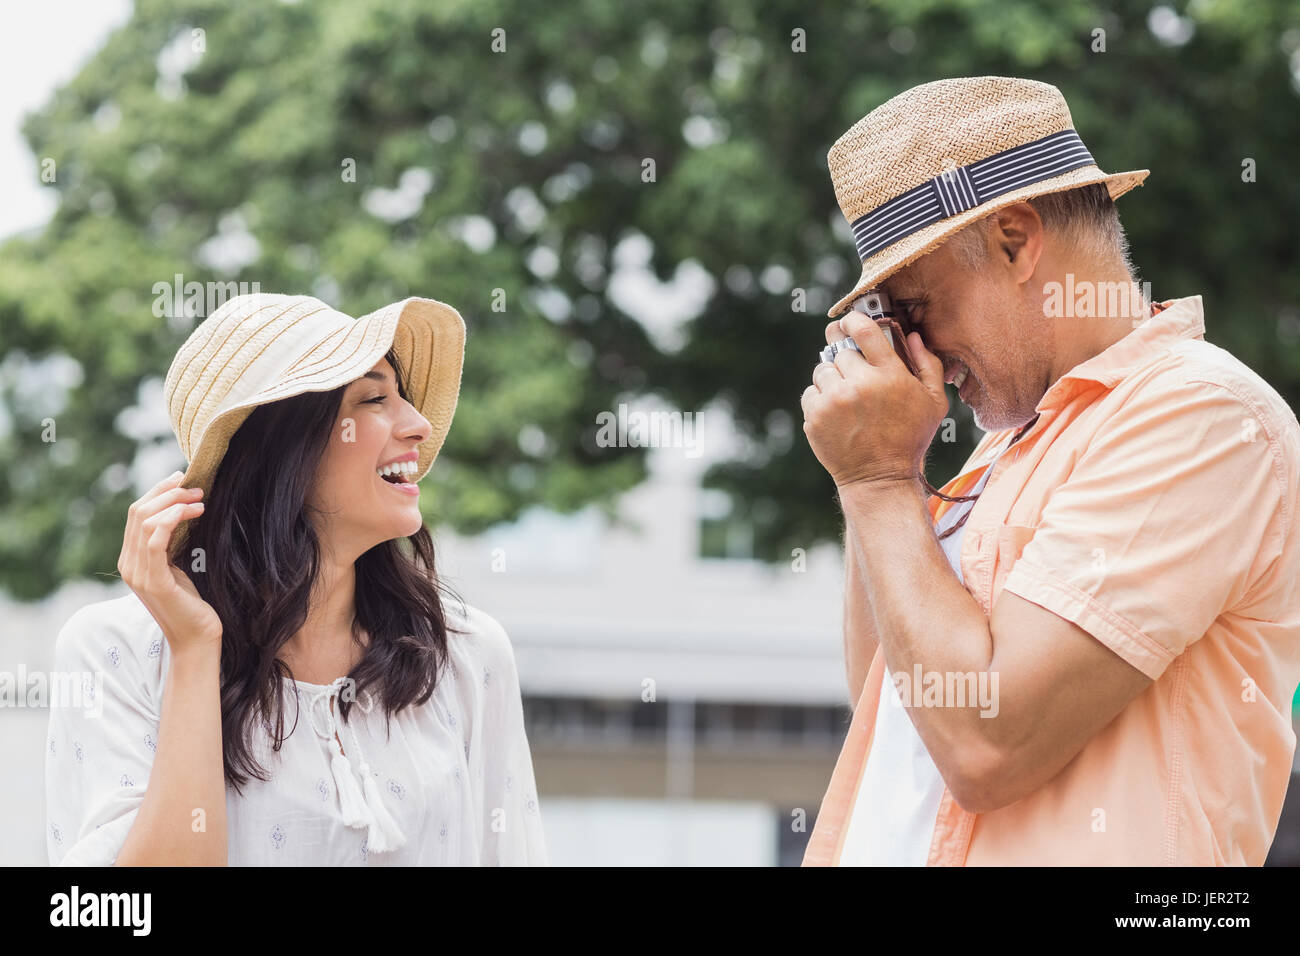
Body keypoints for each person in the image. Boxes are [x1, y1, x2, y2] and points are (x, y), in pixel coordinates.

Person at [800, 76, 1300, 865]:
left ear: (1014, 239)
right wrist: (875, 471)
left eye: (916, 307)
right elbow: (893, 710)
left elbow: (985, 742)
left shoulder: (1203, 416)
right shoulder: (1006, 448)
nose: (916, 350)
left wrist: (880, 481)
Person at [45, 293, 548, 866]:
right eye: (375, 398)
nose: (419, 425)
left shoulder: (465, 653)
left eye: (403, 396)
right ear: (285, 448)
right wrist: (194, 651)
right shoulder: (118, 651)